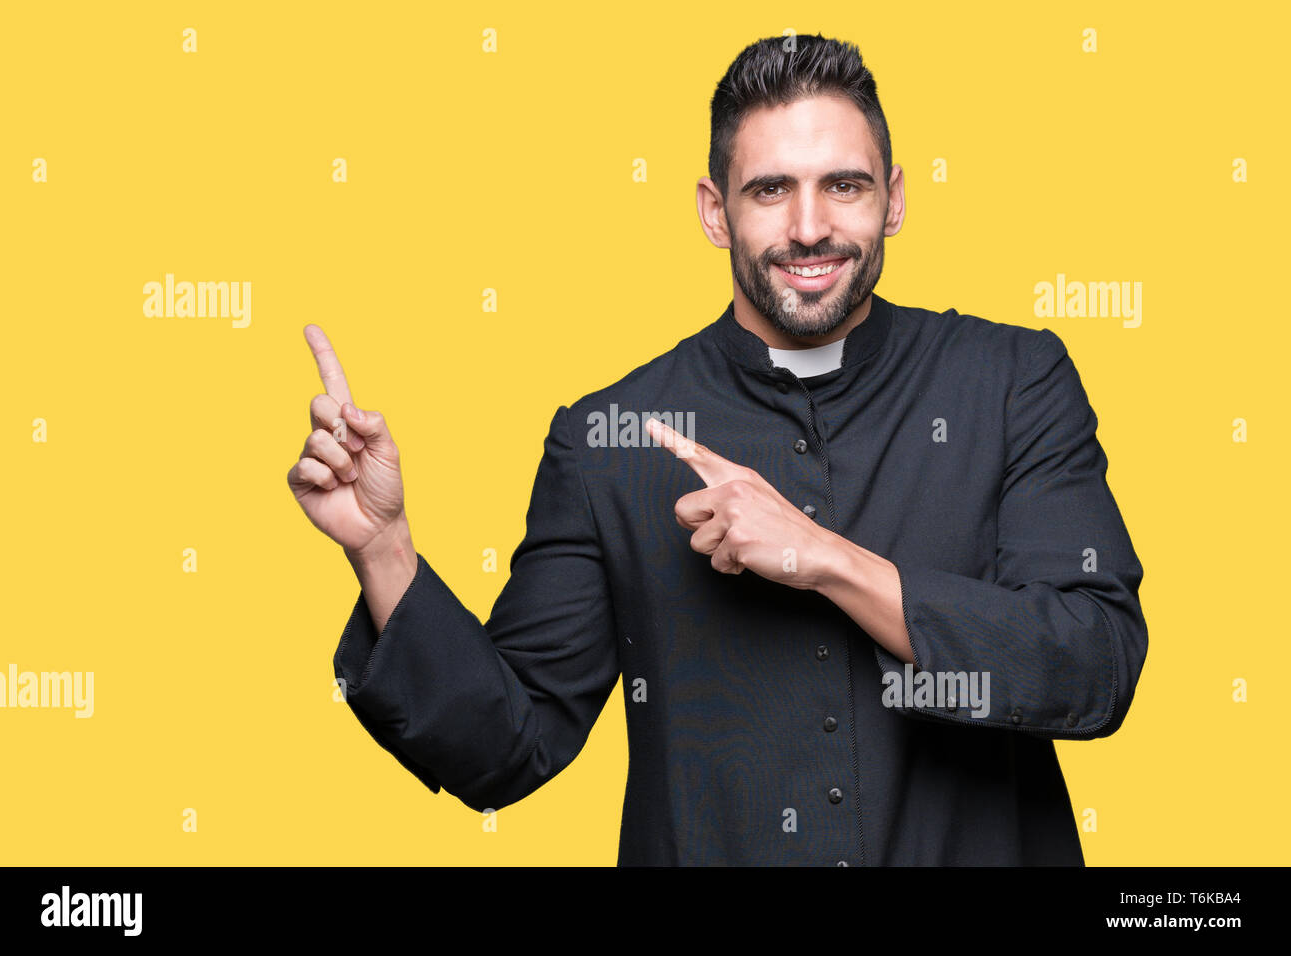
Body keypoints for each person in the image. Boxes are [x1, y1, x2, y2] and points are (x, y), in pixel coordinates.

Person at [287, 34, 1148, 866]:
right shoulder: (606, 440)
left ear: (893, 197)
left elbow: (1093, 664)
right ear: (713, 210)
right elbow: (506, 748)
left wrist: (827, 560)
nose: (810, 228)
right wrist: (384, 550)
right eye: (770, 190)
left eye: (842, 186)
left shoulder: (1011, 382)